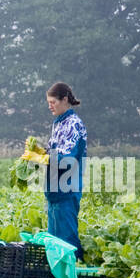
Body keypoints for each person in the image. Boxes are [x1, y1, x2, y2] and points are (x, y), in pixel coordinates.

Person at [44, 81, 87, 261]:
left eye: (53, 102)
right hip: (54, 192)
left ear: (64, 99)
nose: (50, 106)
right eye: (48, 102)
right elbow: (52, 151)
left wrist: (45, 158)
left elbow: (66, 159)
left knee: (67, 241)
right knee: (54, 243)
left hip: (67, 189)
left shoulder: (73, 124)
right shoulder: (58, 123)